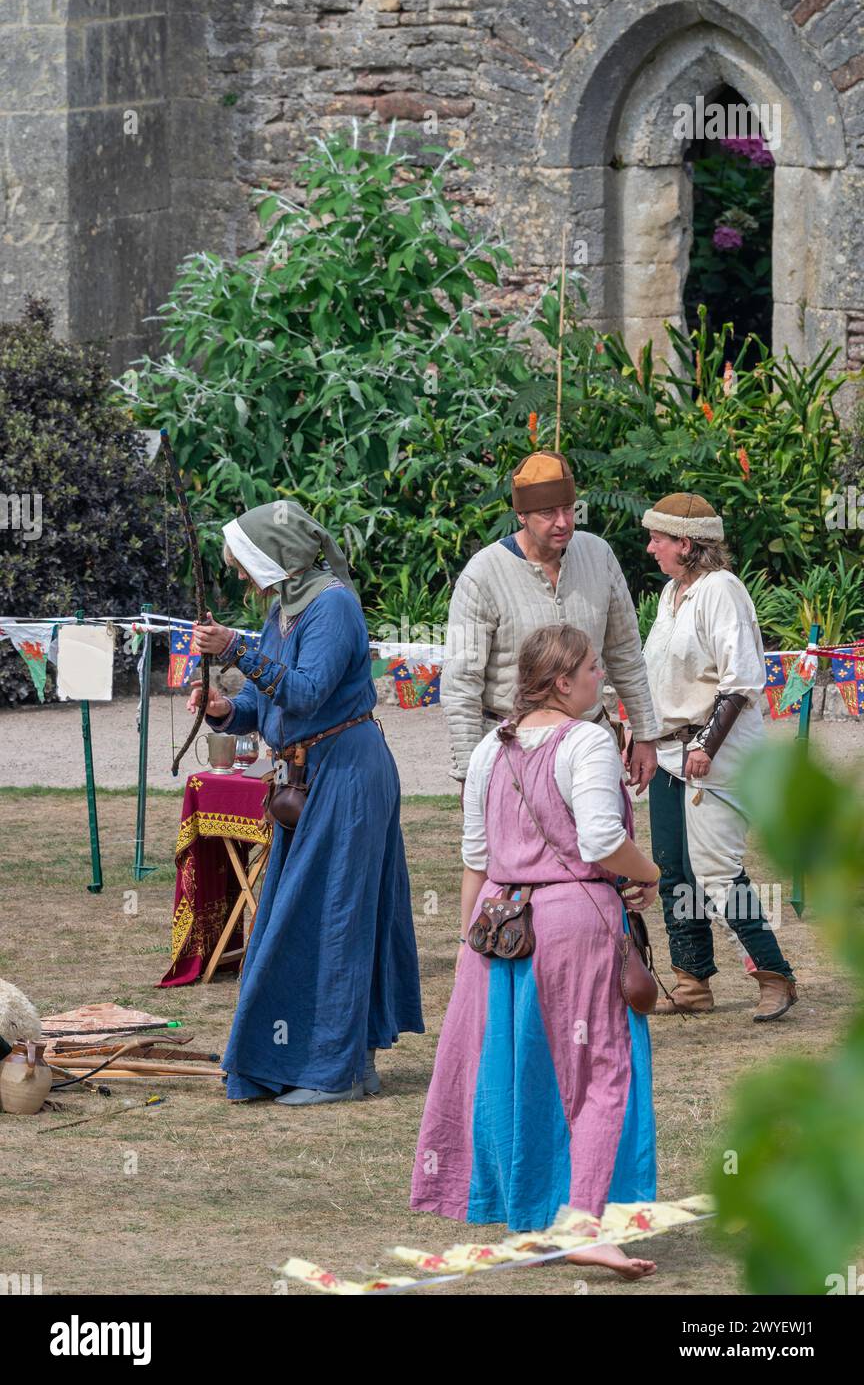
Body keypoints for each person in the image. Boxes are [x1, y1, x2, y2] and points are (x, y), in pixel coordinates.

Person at [411, 624, 660, 1279]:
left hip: (501, 922)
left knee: (521, 1071)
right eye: (590, 669)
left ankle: (536, 1213)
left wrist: (471, 945)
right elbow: (604, 841)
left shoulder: (495, 747)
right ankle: (582, 1224)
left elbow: (476, 856)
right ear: (561, 681)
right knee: (602, 1073)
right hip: (572, 918)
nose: (600, 677)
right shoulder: (587, 742)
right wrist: (651, 873)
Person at [186, 499, 424, 1104]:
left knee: (336, 916)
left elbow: (310, 692)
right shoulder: (283, 613)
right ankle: (341, 1062)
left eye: (244, 561)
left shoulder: (333, 605)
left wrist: (236, 652)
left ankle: (334, 1070)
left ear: (274, 555)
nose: (240, 573)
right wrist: (226, 709)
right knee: (315, 915)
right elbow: (274, 706)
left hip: (348, 774)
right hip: (307, 777)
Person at [641, 493, 797, 1020]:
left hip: (717, 752)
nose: (650, 547)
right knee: (673, 870)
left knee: (715, 869)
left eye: (658, 539)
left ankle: (775, 976)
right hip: (668, 751)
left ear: (686, 544)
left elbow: (742, 680)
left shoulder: (721, 591)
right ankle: (692, 982)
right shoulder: (671, 592)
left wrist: (706, 745)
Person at [441, 450, 660, 794]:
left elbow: (625, 654)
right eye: (548, 513)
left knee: (603, 844)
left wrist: (645, 734)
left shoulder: (598, 555)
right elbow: (461, 682)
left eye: (568, 509)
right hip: (513, 754)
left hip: (590, 746)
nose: (562, 522)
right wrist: (470, 772)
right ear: (521, 515)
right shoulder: (483, 575)